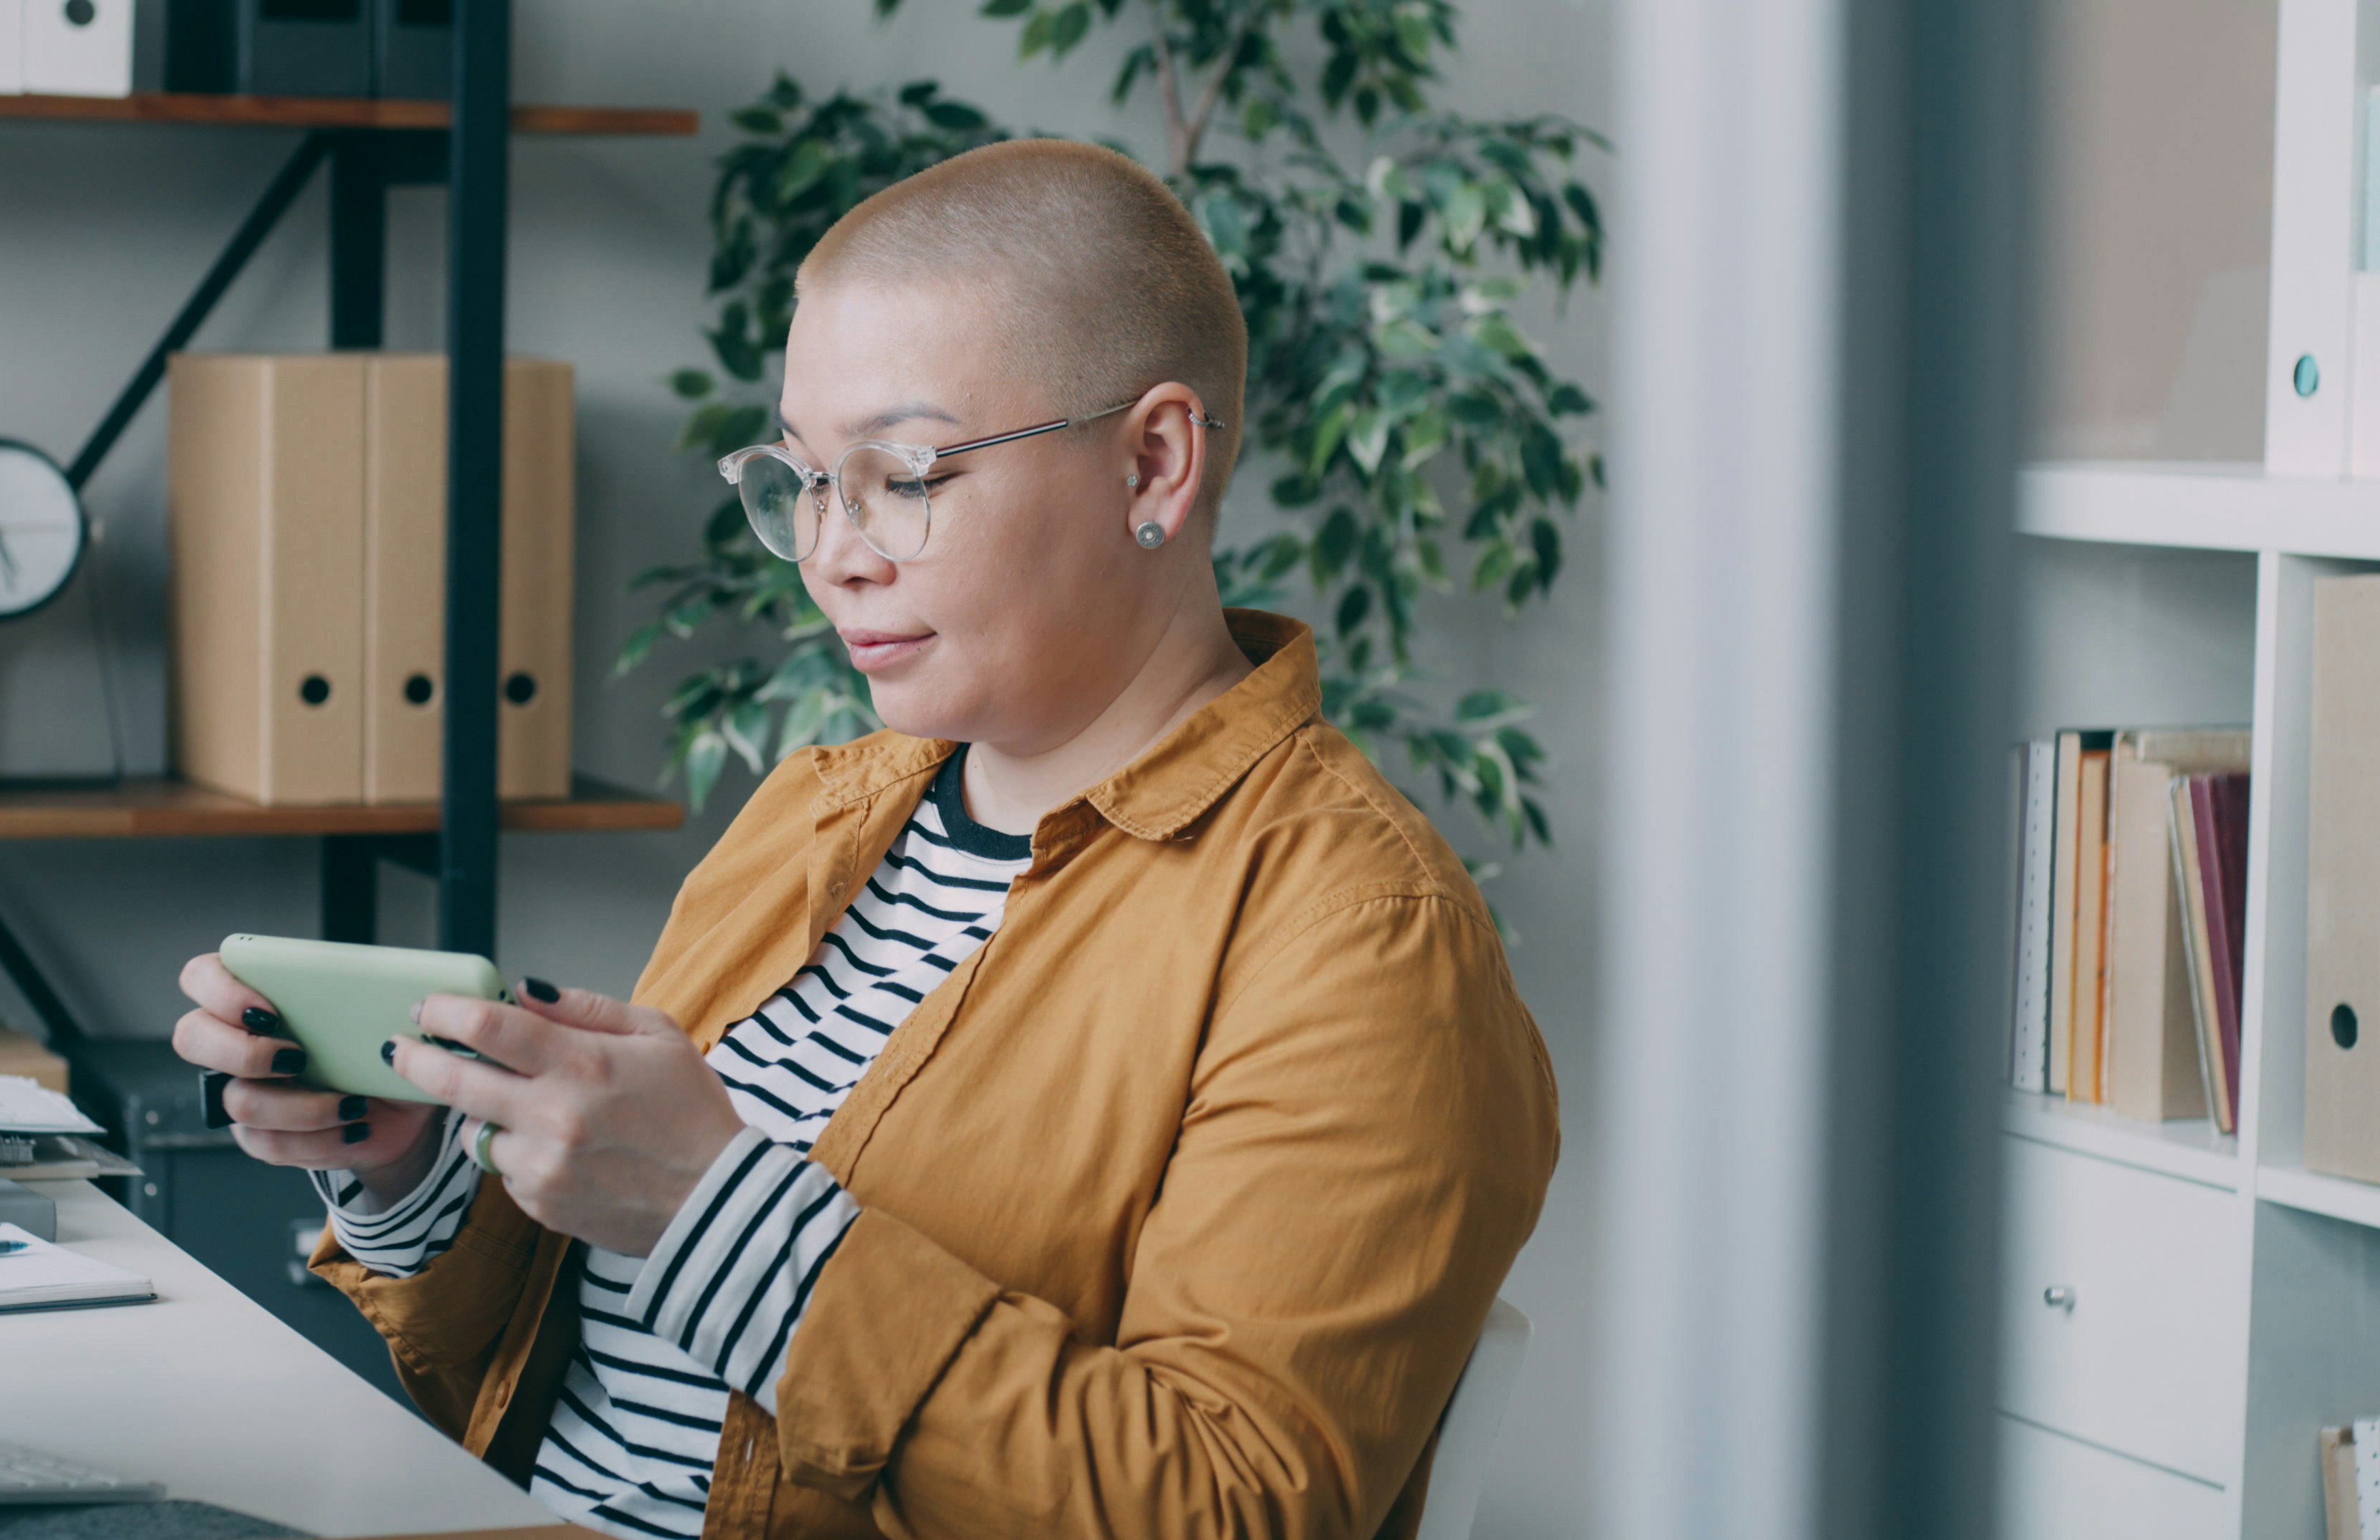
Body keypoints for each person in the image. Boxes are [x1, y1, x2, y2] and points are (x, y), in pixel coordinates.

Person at [171, 138, 1558, 1540]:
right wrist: (408, 1173)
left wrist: (714, 1206)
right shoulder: (818, 810)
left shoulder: (1356, 941)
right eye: (802, 479)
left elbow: (1223, 1509)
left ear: (1152, 462)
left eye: (902, 474)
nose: (834, 549)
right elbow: (582, 1395)